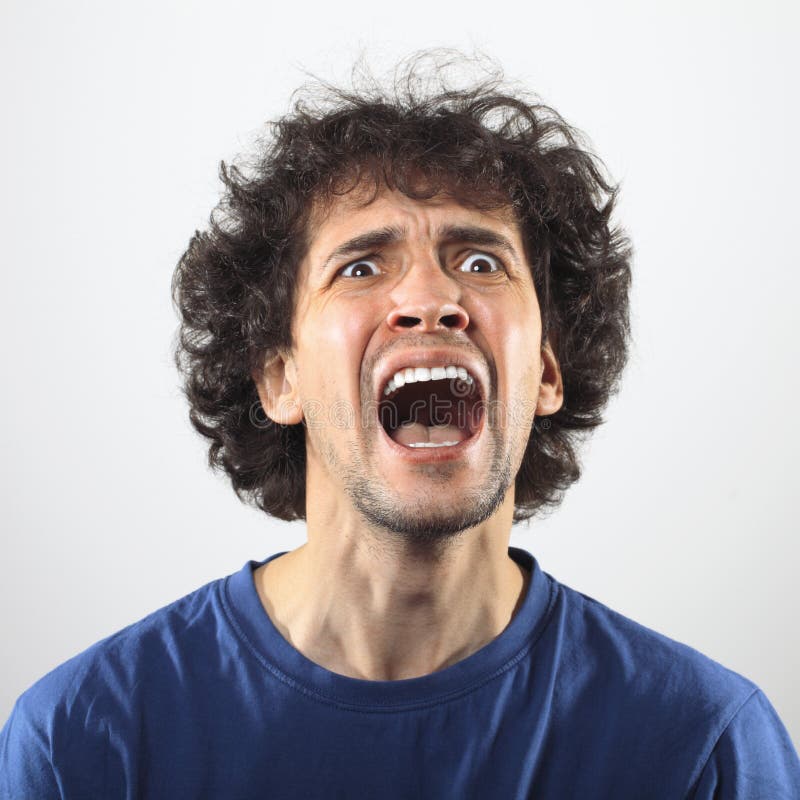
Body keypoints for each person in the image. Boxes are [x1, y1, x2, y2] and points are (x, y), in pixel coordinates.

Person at [2, 55, 799, 799]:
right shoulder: (85, 743)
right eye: (360, 266)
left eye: (481, 263)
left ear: (548, 370)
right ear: (280, 377)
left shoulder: (704, 749)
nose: (431, 297)